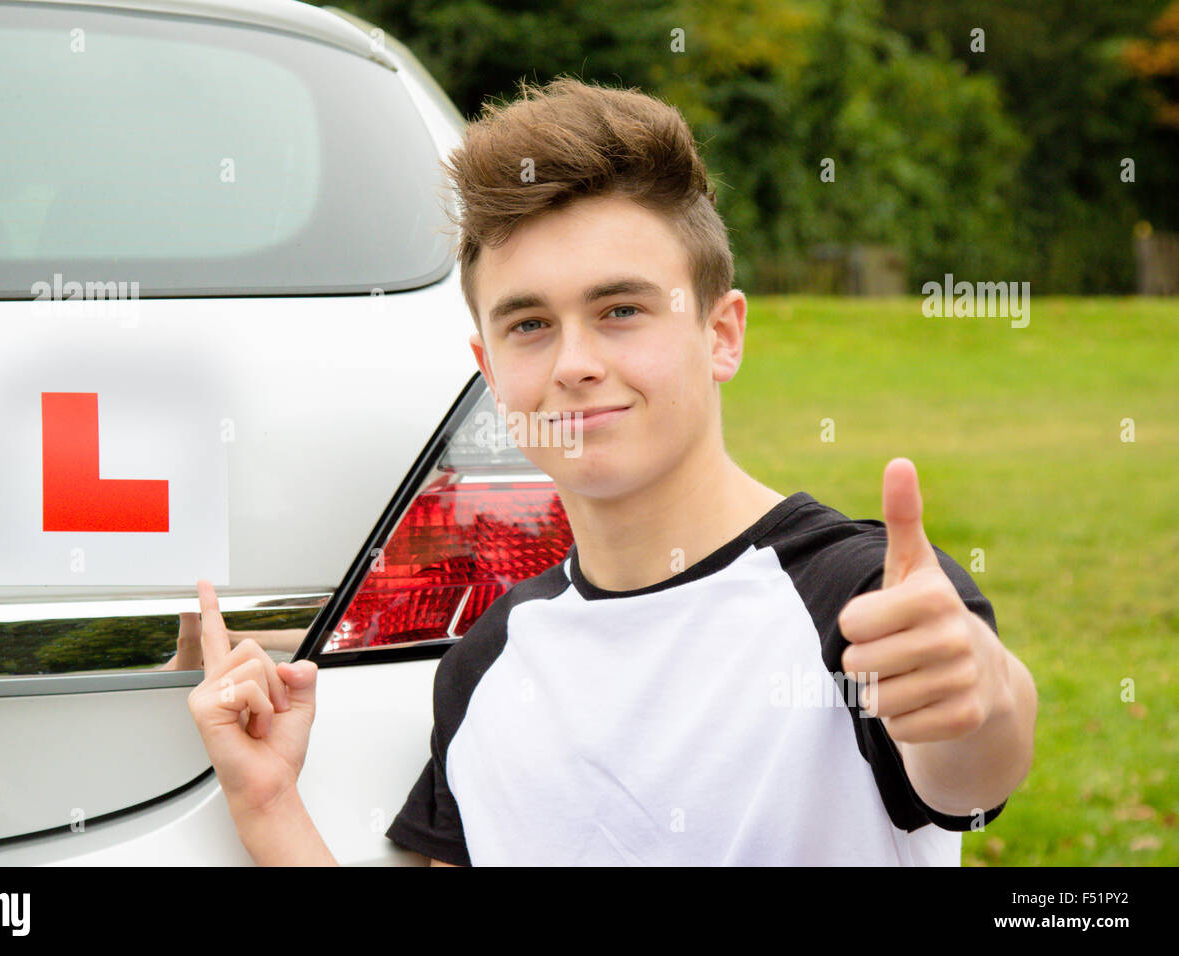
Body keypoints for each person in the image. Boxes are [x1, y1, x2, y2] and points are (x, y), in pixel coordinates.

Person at [185, 75, 1037, 866]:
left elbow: (970, 768)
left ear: (722, 333)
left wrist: (981, 693)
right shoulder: (486, 664)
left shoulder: (859, 603)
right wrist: (267, 803)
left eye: (621, 310)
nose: (575, 362)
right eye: (529, 325)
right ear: (488, 367)